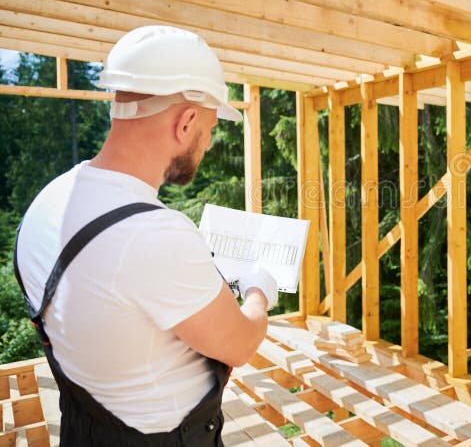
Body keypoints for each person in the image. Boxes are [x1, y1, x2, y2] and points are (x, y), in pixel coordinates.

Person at [13, 25, 278, 446]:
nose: (207, 142)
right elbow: (241, 345)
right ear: (187, 121)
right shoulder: (153, 233)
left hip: (85, 430)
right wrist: (260, 290)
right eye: (209, 128)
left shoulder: (50, 198)